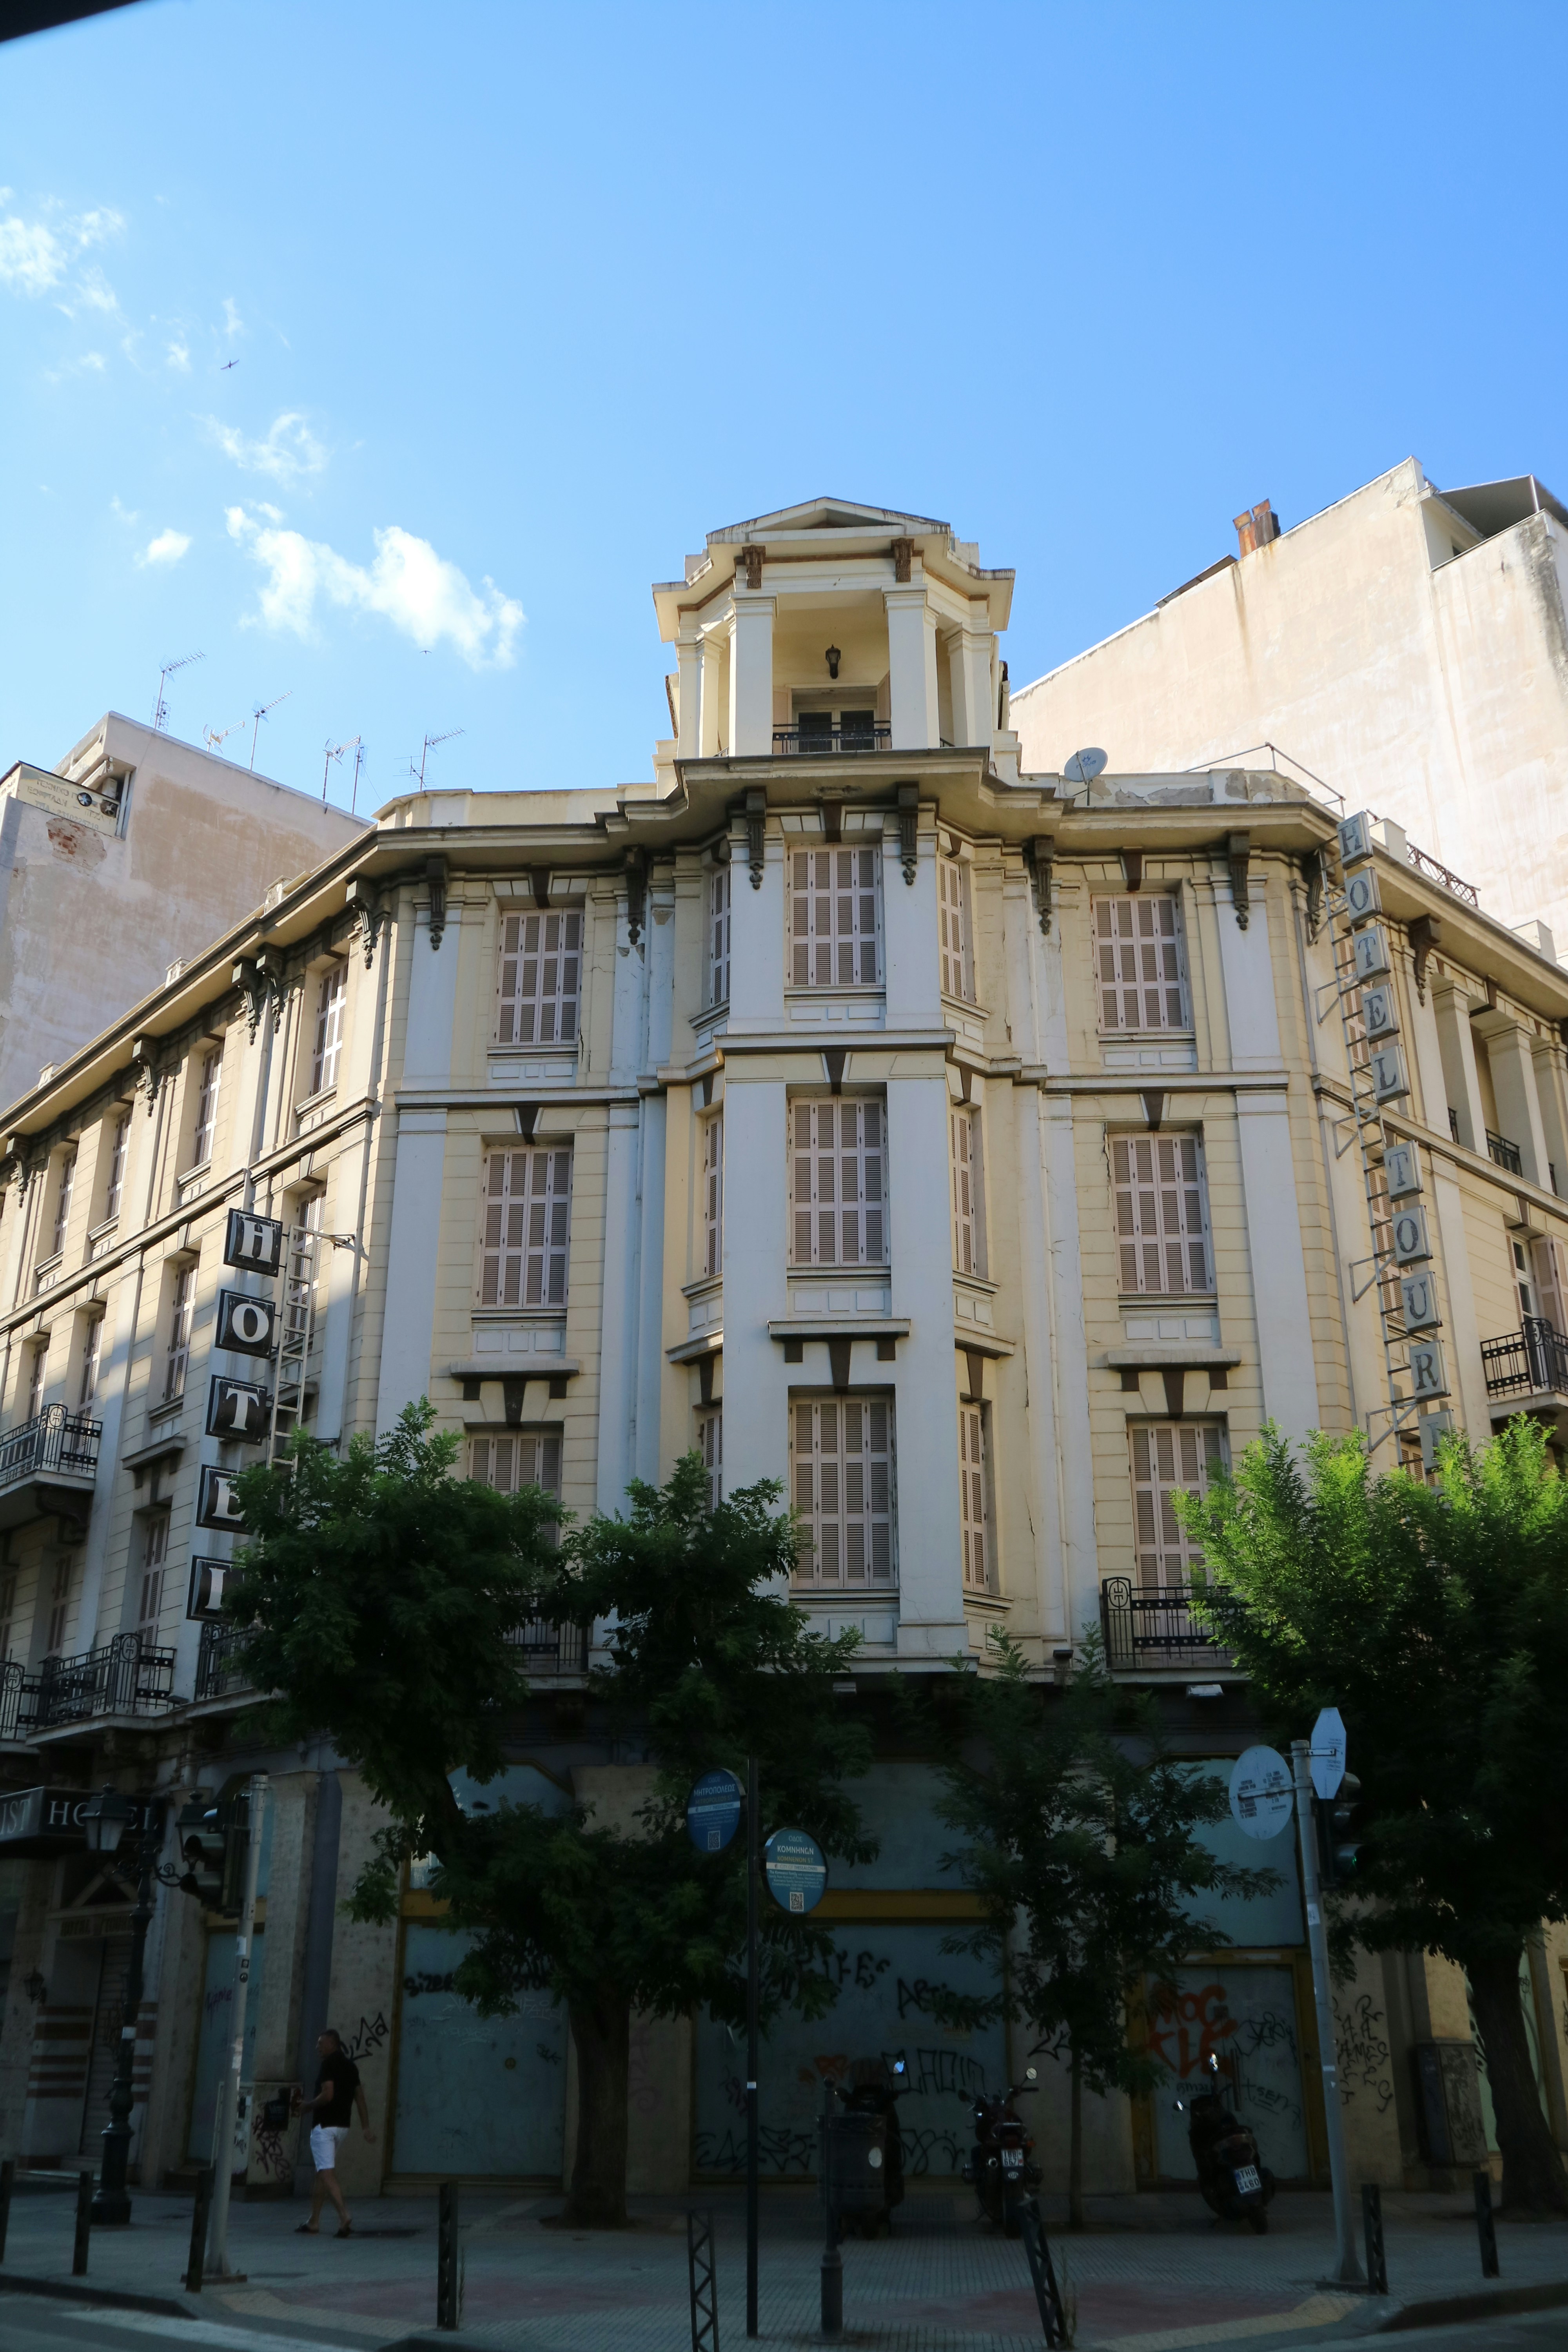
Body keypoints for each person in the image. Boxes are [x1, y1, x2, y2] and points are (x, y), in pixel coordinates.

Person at [292, 2028, 375, 2236]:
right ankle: (314, 2222)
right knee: (322, 2172)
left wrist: (308, 2106)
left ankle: (344, 2215)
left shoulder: (328, 2064)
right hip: (342, 2127)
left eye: (321, 2043)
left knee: (326, 2173)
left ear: (333, 2044)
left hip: (324, 2127)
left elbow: (328, 2095)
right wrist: (365, 2127)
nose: (317, 2047)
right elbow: (360, 2098)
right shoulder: (351, 2066)